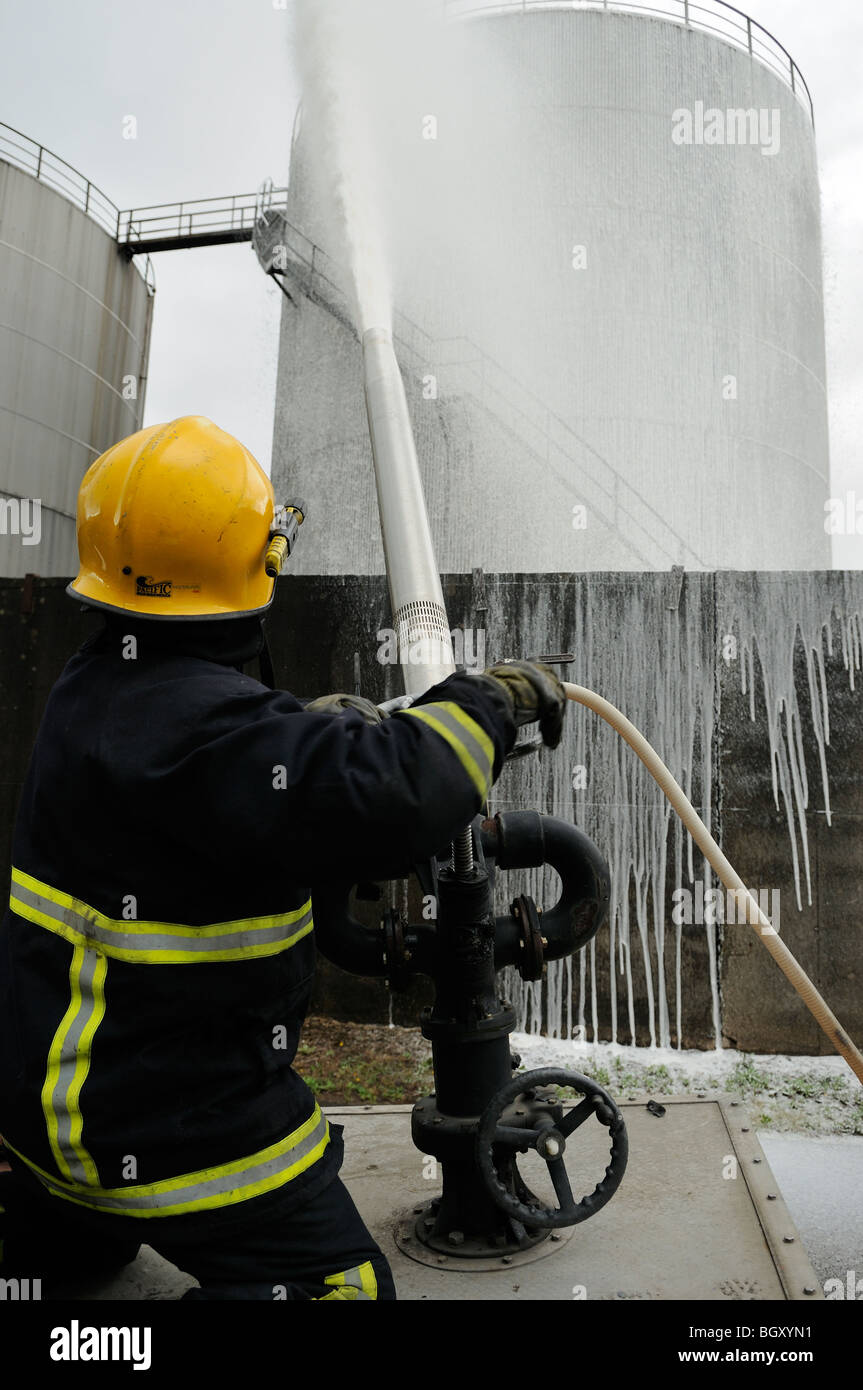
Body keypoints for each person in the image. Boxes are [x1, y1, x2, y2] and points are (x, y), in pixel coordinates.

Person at [0, 416, 565, 1301]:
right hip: (171, 1121)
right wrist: (489, 701)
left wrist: (302, 726)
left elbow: (215, 755)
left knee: (71, 1266)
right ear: (258, 558)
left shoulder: (99, 685)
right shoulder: (207, 731)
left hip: (44, 1109)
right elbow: (404, 792)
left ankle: (80, 1242)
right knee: (346, 1294)